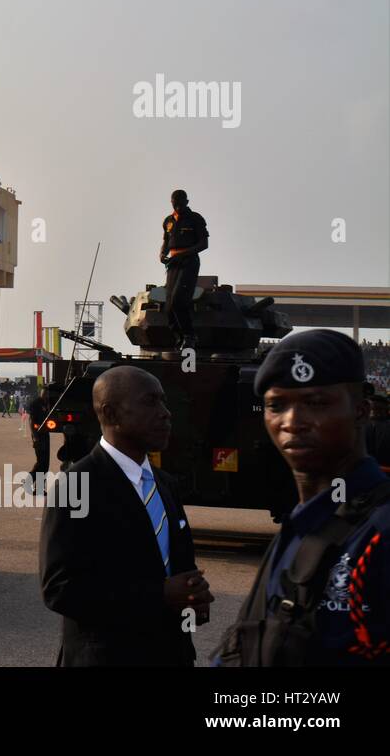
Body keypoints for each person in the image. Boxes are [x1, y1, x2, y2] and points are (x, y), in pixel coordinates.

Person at [214, 330, 390, 666]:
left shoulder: (380, 532)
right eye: (276, 405)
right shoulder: (302, 524)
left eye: (316, 403)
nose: (292, 422)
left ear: (362, 411)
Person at [39, 365, 211, 666]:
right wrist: (160, 594)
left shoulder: (165, 484)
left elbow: (179, 568)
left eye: (164, 401)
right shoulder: (76, 486)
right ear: (111, 413)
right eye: (150, 402)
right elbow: (60, 588)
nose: (165, 413)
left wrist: (192, 602)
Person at [158, 190, 208, 351]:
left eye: (181, 203)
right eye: (175, 203)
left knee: (179, 299)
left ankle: (189, 335)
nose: (178, 206)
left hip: (189, 261)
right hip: (172, 263)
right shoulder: (168, 221)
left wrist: (184, 254)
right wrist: (161, 254)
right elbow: (166, 242)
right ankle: (178, 338)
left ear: (187, 202)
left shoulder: (195, 219)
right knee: (169, 304)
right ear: (171, 202)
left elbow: (203, 244)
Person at [27, 392, 50, 490]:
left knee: (45, 463)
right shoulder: (36, 404)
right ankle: (28, 481)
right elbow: (31, 421)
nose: (46, 395)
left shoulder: (47, 403)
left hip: (45, 435)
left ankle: (40, 488)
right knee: (41, 462)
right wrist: (35, 437)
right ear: (42, 393)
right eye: (45, 393)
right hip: (38, 435)